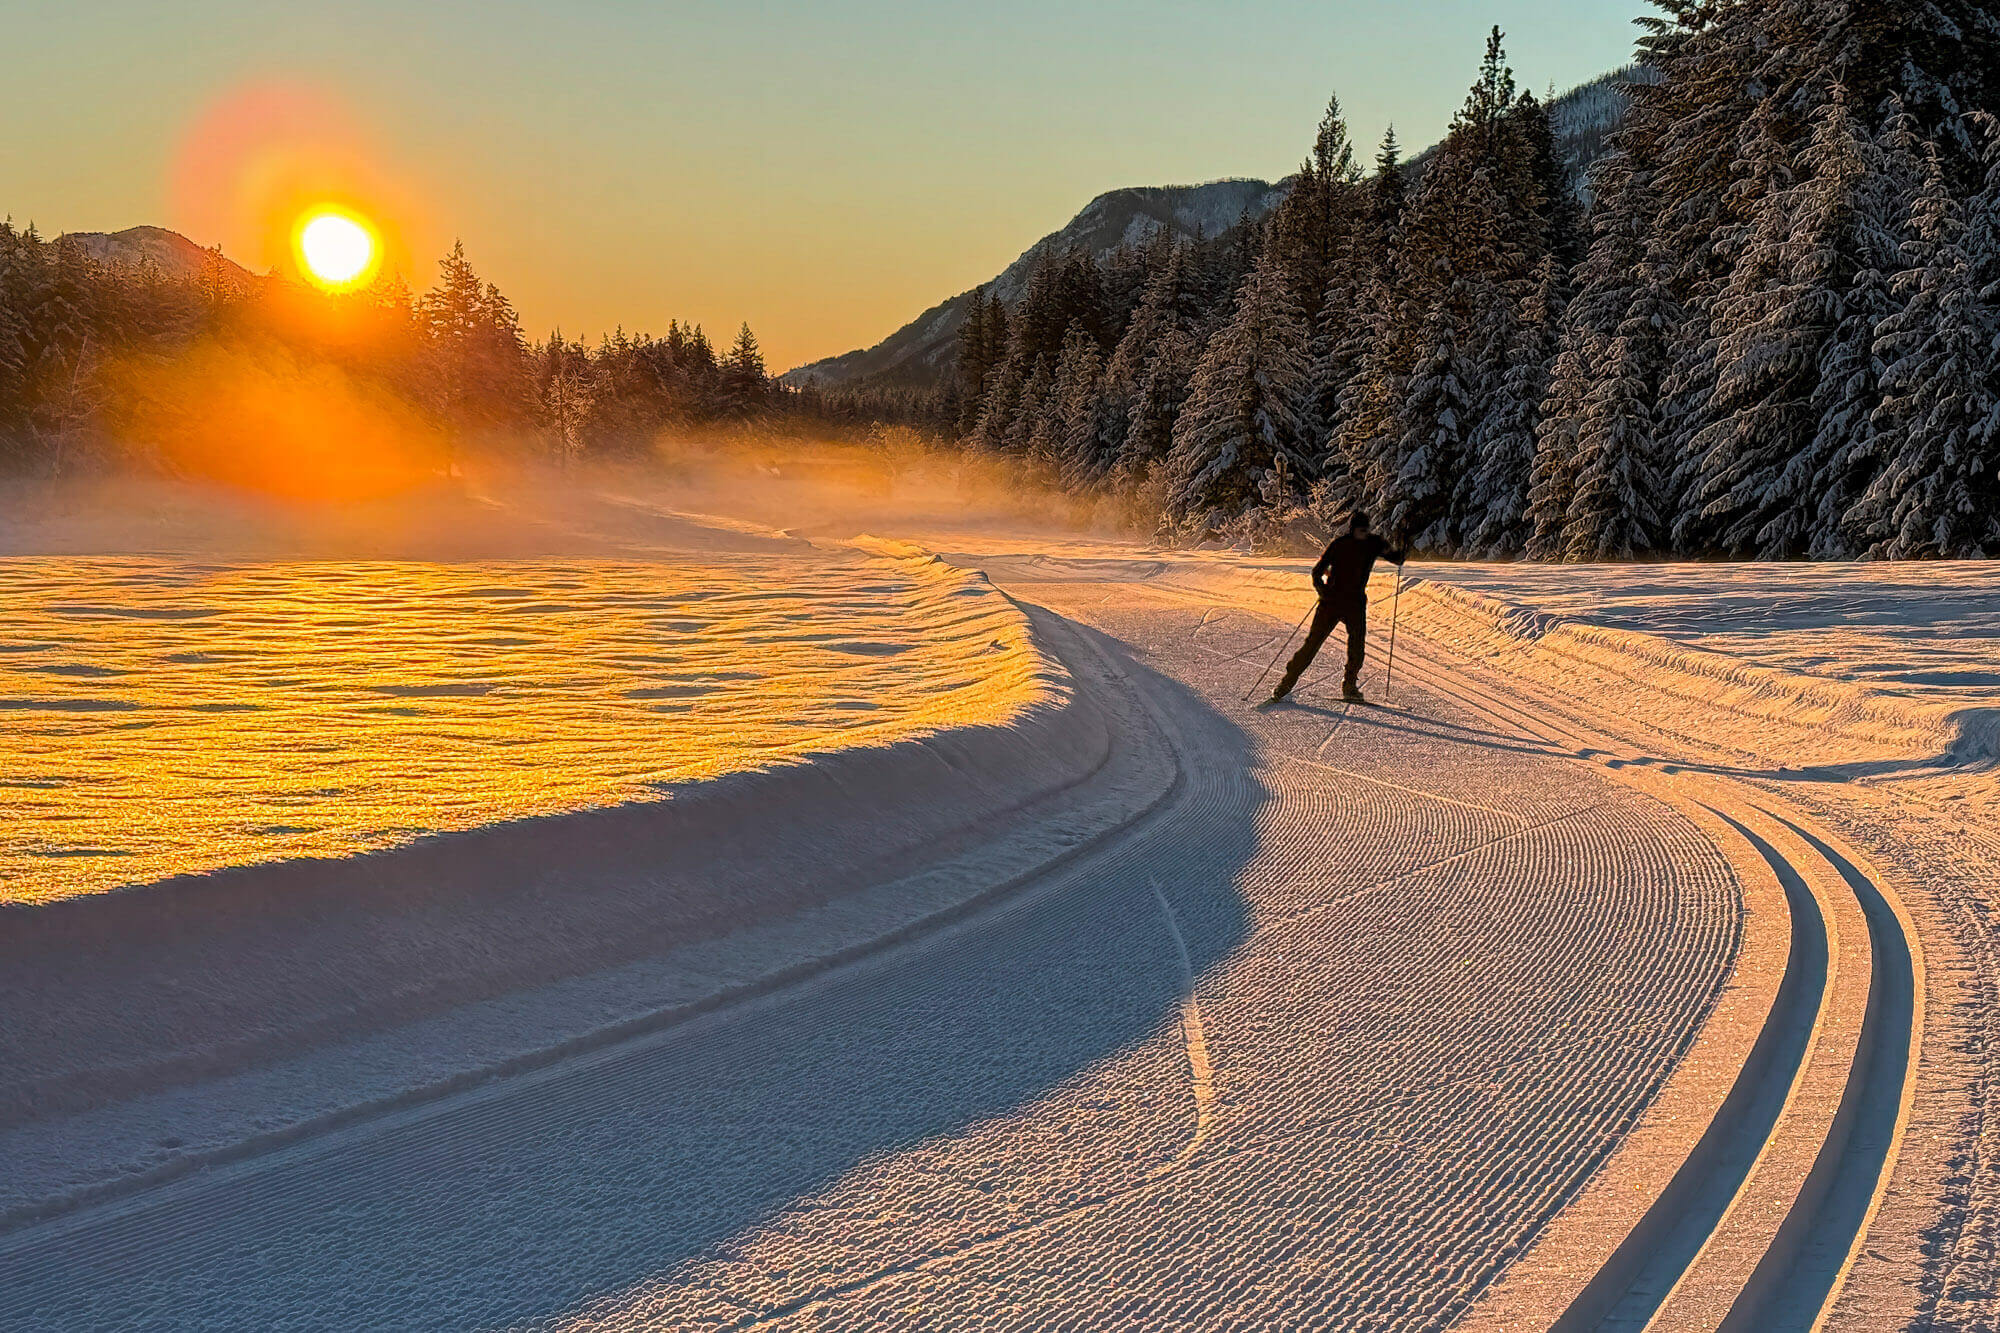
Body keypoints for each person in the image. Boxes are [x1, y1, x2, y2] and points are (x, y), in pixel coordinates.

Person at [1267, 512, 1407, 705]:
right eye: (1360, 530)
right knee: (1312, 644)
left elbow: (1397, 559)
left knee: (1357, 648)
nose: (1363, 533)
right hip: (1331, 603)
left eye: (1366, 529)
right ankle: (1286, 684)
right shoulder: (1339, 545)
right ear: (1352, 529)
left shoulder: (1373, 543)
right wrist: (1323, 592)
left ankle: (1349, 686)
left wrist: (1404, 538)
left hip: (1355, 604)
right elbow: (1317, 572)